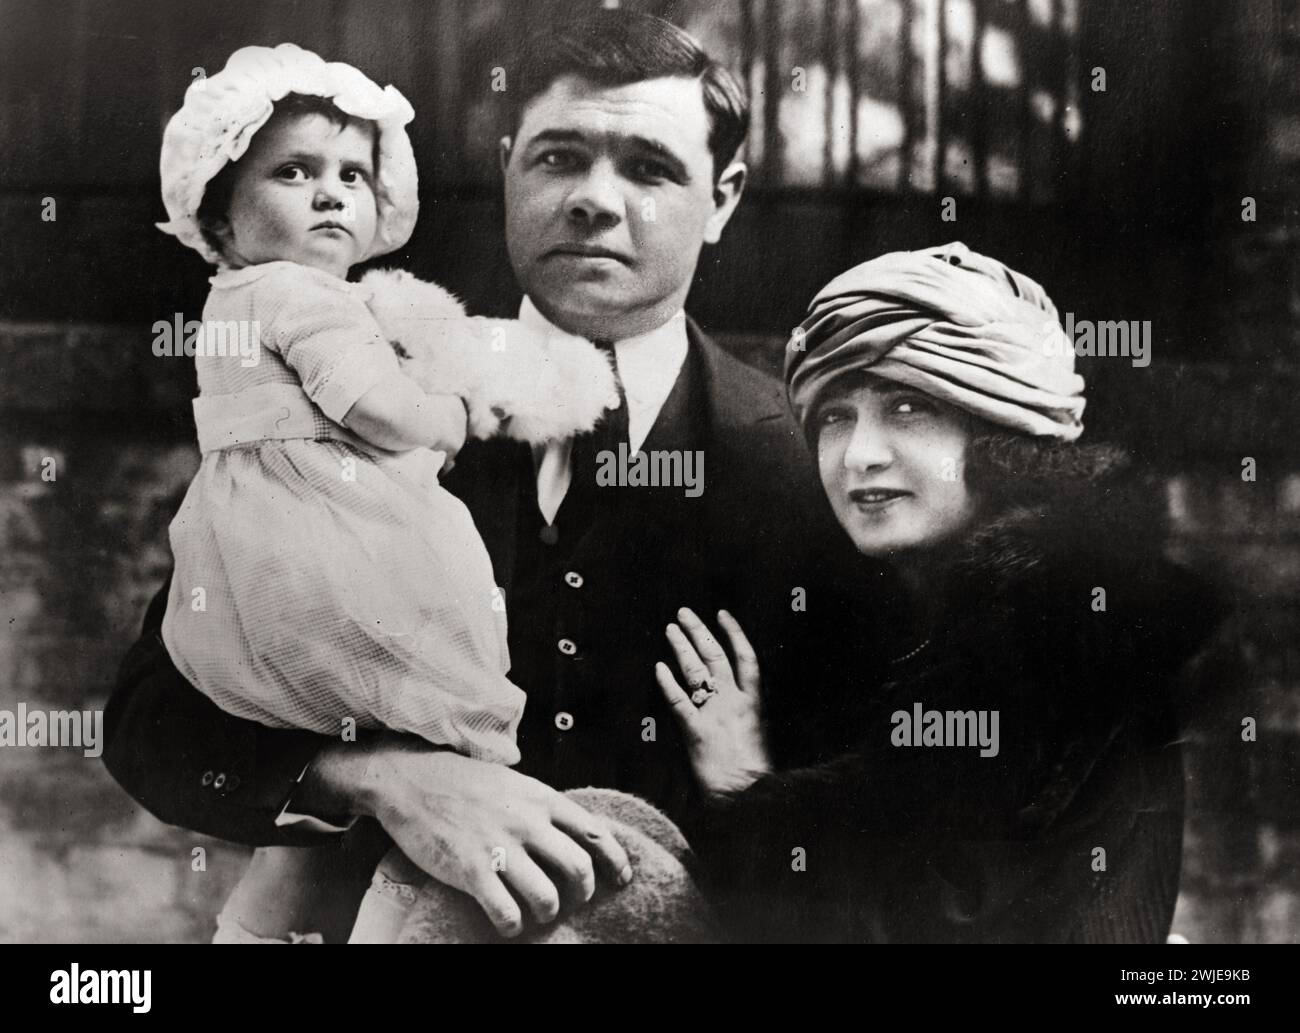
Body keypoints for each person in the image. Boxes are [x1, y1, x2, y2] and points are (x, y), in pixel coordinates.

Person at [103, 11, 850, 941]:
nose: (594, 201)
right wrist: (377, 777)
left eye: (651, 168)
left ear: (726, 196)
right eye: (558, 157)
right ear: (506, 166)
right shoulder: (358, 387)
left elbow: (884, 817)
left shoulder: (807, 468)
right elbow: (150, 720)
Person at [653, 242, 1225, 942]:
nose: (860, 453)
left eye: (907, 407)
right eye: (835, 414)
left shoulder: (1059, 631)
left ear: (1000, 436)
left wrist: (746, 787)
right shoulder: (916, 610)